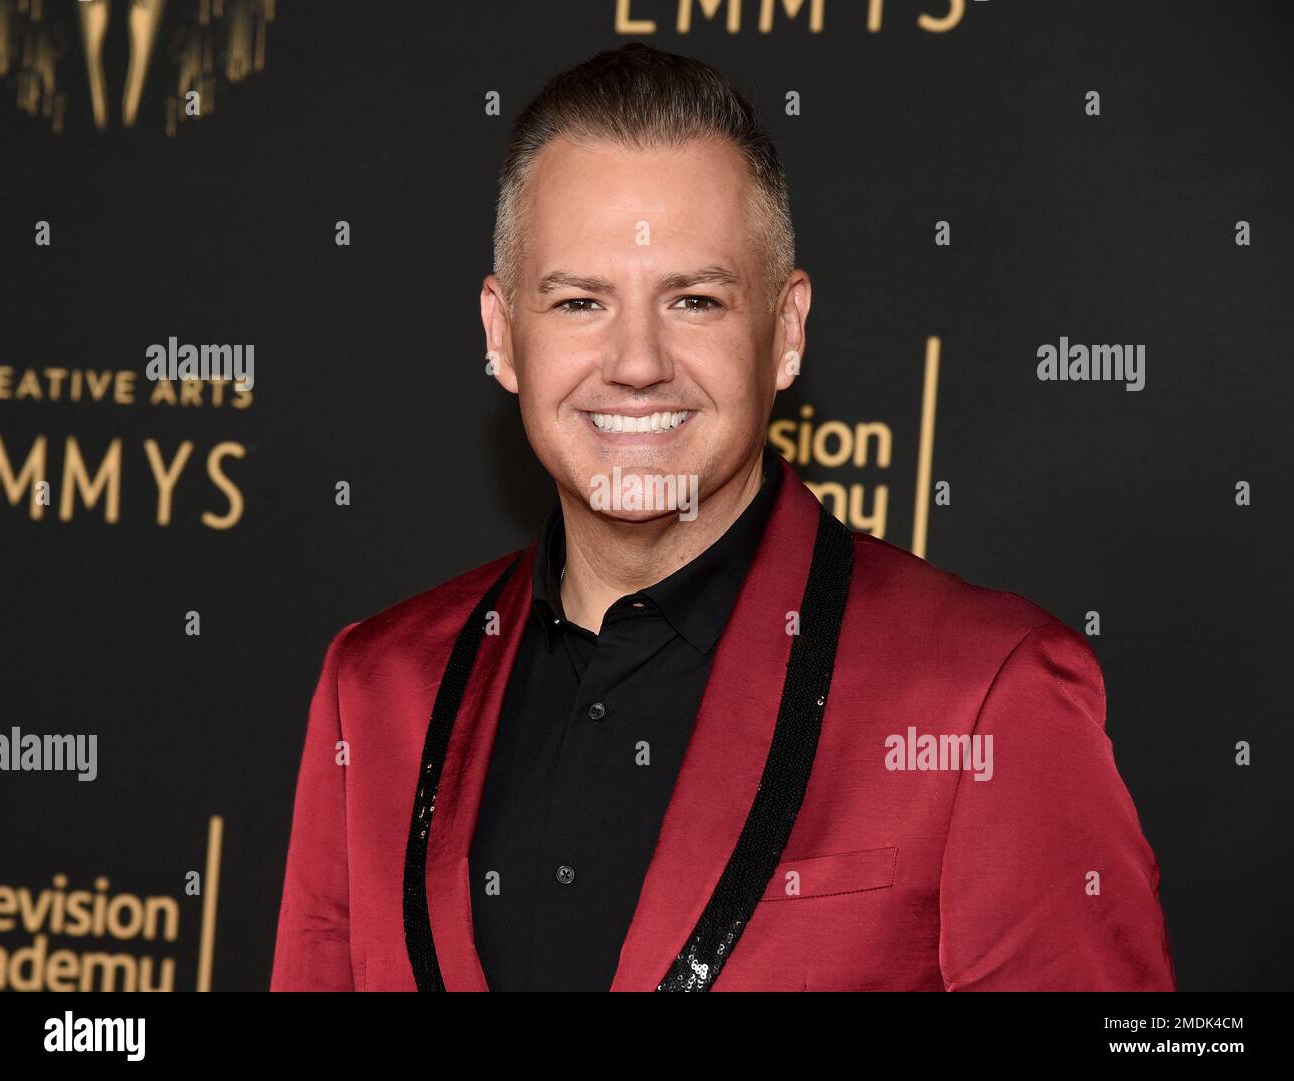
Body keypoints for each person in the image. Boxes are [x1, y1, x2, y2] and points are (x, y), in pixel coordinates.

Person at [270, 42, 1175, 992]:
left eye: (694, 300)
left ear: (785, 333)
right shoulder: (374, 694)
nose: (636, 362)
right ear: (502, 336)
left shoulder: (992, 696)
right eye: (580, 301)